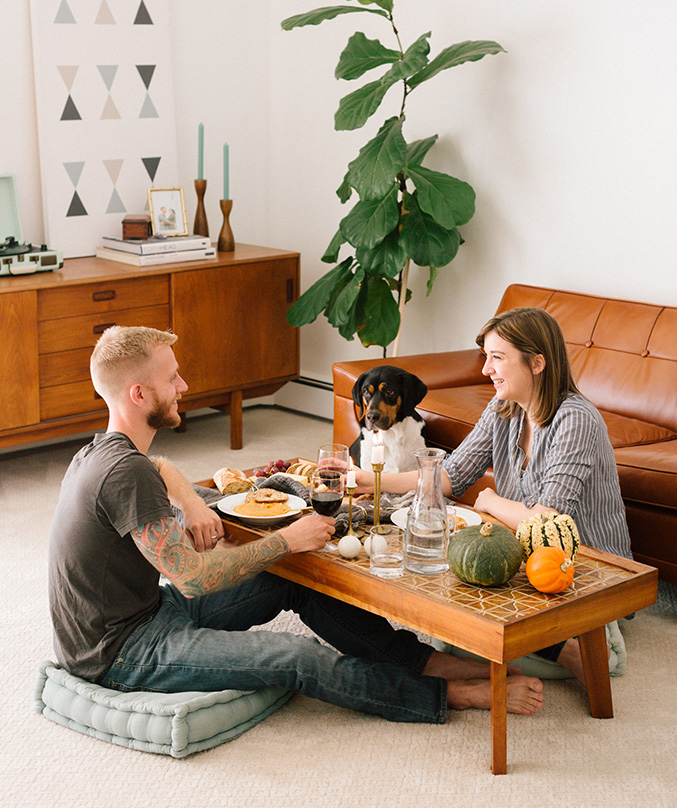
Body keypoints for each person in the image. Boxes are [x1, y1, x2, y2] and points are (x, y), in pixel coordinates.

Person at [48, 325, 544, 726]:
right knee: (295, 655)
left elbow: (156, 469)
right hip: (120, 652)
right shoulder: (124, 472)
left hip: (151, 613)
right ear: (138, 393)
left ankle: (422, 659)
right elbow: (193, 578)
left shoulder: (105, 451)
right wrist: (286, 539)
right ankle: (446, 694)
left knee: (297, 580)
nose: (183, 386)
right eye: (172, 378)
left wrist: (193, 503)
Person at [354, 307, 634, 682]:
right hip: (525, 554)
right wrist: (366, 480)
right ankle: (525, 646)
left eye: (497, 358)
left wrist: (487, 501)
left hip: (586, 567)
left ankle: (584, 646)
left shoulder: (575, 419)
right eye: (487, 357)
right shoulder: (503, 407)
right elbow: (450, 476)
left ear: (537, 363)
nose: (486, 369)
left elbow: (548, 520)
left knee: (456, 634)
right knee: (446, 594)